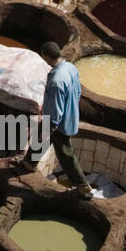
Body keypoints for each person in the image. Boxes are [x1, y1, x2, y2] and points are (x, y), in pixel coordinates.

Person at [41, 42, 93, 197]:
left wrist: (52, 125)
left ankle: (83, 186)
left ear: (47, 57)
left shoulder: (57, 79)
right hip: (70, 116)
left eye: (43, 56)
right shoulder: (70, 67)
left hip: (59, 123)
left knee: (66, 154)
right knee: (41, 138)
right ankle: (28, 163)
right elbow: (77, 91)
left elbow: (55, 109)